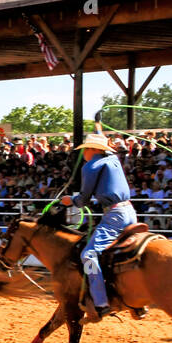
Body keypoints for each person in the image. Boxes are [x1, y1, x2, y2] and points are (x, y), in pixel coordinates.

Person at [60, 133, 135, 321]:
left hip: (114, 215)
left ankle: (101, 304)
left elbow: (83, 199)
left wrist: (71, 201)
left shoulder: (91, 166)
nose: (83, 152)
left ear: (93, 149)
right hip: (130, 212)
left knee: (89, 255)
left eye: (86, 148)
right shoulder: (113, 159)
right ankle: (134, 302)